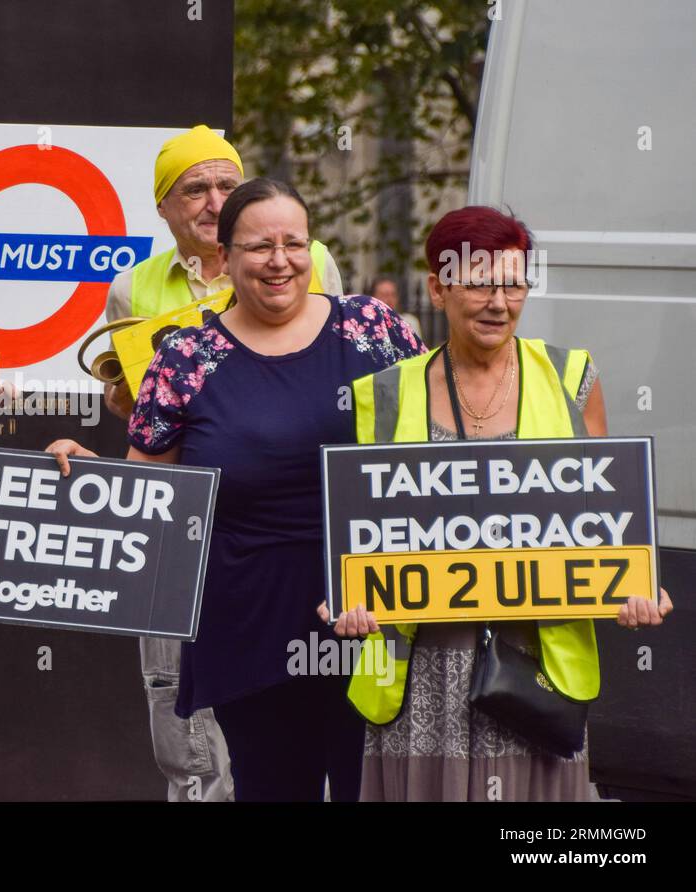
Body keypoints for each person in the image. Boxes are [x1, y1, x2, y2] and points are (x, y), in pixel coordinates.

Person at [50, 177, 423, 801]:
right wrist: (85, 471)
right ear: (224, 260)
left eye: (294, 243)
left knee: (375, 790)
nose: (280, 261)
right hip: (246, 621)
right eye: (259, 247)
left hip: (371, 613)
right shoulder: (185, 356)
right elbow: (151, 486)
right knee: (272, 787)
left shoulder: (373, 328)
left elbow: (436, 448)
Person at [325, 206, 674, 801]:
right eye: (480, 282)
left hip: (534, 675)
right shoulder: (383, 394)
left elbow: (607, 515)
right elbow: (364, 530)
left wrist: (637, 581)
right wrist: (347, 596)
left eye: (513, 283)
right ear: (439, 287)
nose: (499, 301)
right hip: (419, 679)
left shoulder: (573, 379)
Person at [368, 275, 422, 340]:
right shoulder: (367, 324)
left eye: (393, 295)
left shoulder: (410, 322)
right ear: (373, 298)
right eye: (384, 295)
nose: (389, 299)